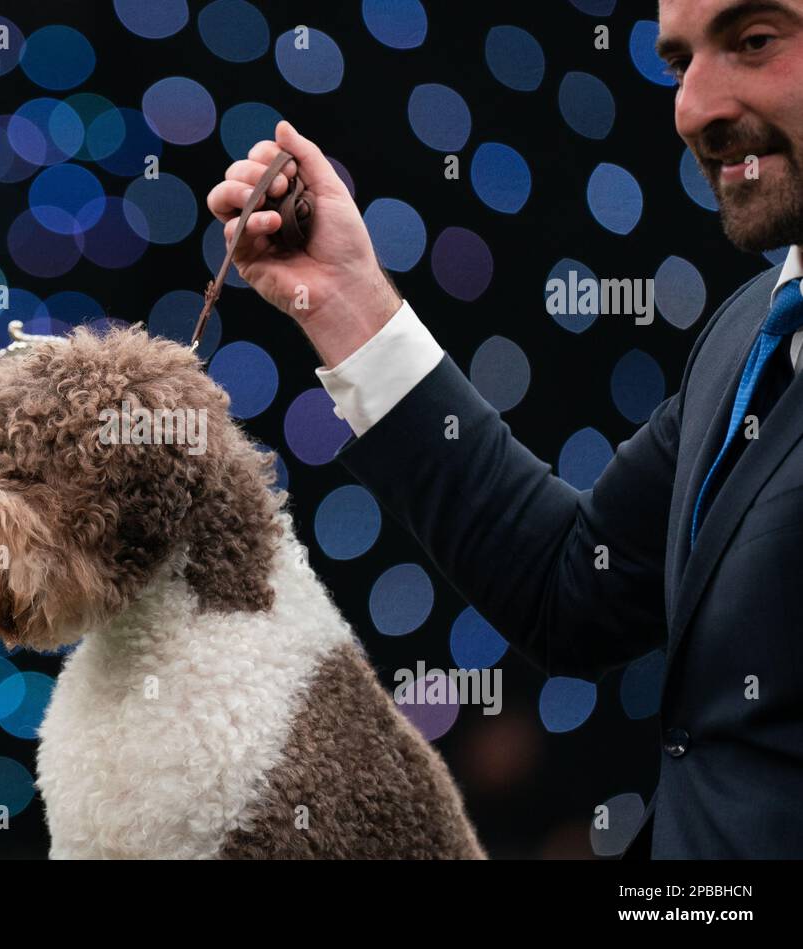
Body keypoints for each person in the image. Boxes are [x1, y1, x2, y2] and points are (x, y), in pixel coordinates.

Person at [207, 0, 803, 859]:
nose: (695, 107)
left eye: (753, 41)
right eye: (679, 64)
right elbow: (570, 589)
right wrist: (347, 302)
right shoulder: (751, 334)